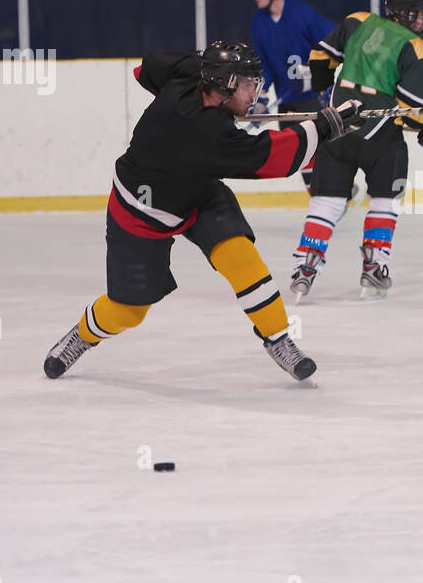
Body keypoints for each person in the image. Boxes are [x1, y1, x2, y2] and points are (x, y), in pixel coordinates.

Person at [42, 42, 360, 382]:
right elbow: (273, 157)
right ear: (227, 84)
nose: (256, 92)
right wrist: (326, 126)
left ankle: (278, 337)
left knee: (241, 257)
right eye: (250, 84)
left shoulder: (192, 74)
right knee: (128, 311)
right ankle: (82, 336)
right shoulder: (206, 134)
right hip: (141, 212)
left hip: (197, 189)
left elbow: (148, 67)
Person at [289, 0, 423, 300]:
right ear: (406, 14)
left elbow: (319, 57)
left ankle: (306, 267)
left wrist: (324, 92)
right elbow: (414, 114)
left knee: (326, 203)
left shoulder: (357, 21)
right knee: (386, 200)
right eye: (420, 13)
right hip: (380, 141)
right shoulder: (416, 49)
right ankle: (374, 267)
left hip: (337, 128)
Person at [249, 0, 337, 191]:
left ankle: (326, 196)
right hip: (286, 98)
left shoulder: (302, 13)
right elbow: (263, 64)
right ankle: (324, 195)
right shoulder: (258, 22)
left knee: (317, 146)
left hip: (312, 96)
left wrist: (314, 72)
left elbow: (334, 40)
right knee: (297, 151)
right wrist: (261, 97)